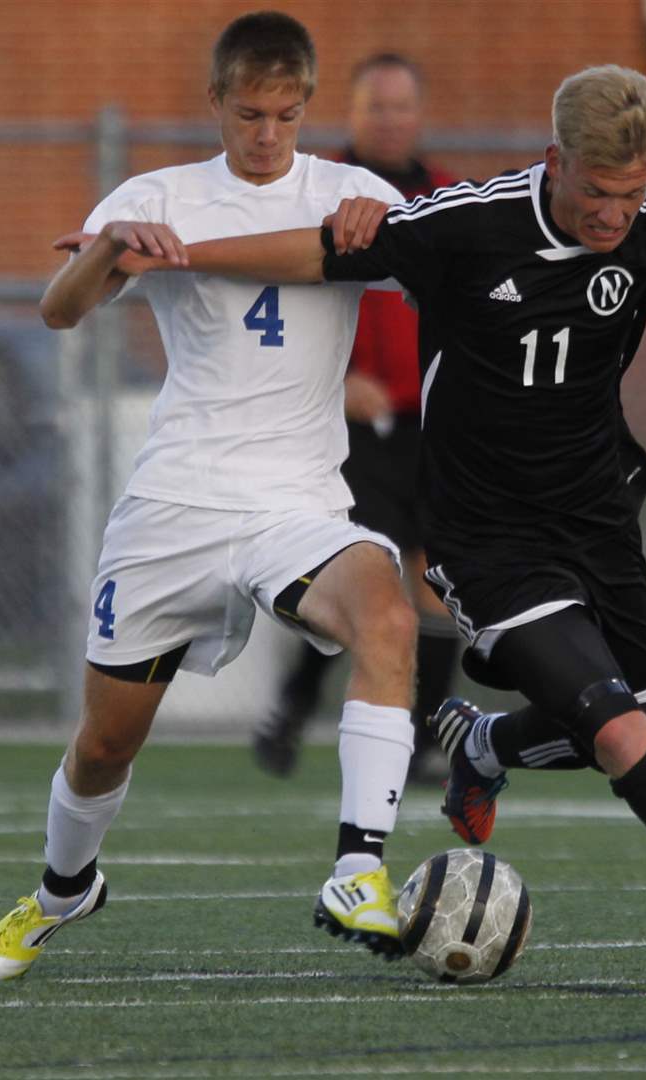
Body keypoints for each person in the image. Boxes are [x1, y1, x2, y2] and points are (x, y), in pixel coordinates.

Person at [85, 65, 646, 982]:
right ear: (555, 162)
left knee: (633, 719)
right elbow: (316, 253)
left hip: (597, 519)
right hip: (488, 539)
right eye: (596, 193)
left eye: (630, 196)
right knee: (625, 737)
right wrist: (181, 251)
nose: (613, 216)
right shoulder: (468, 225)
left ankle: (483, 741)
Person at [0, 12, 421, 981]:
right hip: (176, 503)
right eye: (250, 114)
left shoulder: (355, 194)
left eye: (287, 116)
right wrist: (108, 247)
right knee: (102, 746)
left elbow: (452, 288)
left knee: (386, 609)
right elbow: (60, 310)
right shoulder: (160, 193)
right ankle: (64, 889)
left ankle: (359, 869)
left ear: (307, 106)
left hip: (297, 502)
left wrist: (394, 240)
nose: (267, 137)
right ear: (216, 100)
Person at [253, 53, 459, 784]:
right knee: (351, 573)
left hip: (430, 429)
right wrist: (337, 381)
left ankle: (432, 732)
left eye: (403, 107)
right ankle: (291, 708)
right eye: (378, 107)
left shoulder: (441, 199)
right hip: (344, 430)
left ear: (420, 115)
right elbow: (283, 307)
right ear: (353, 113)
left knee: (436, 578)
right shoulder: (319, 195)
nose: (391, 120)